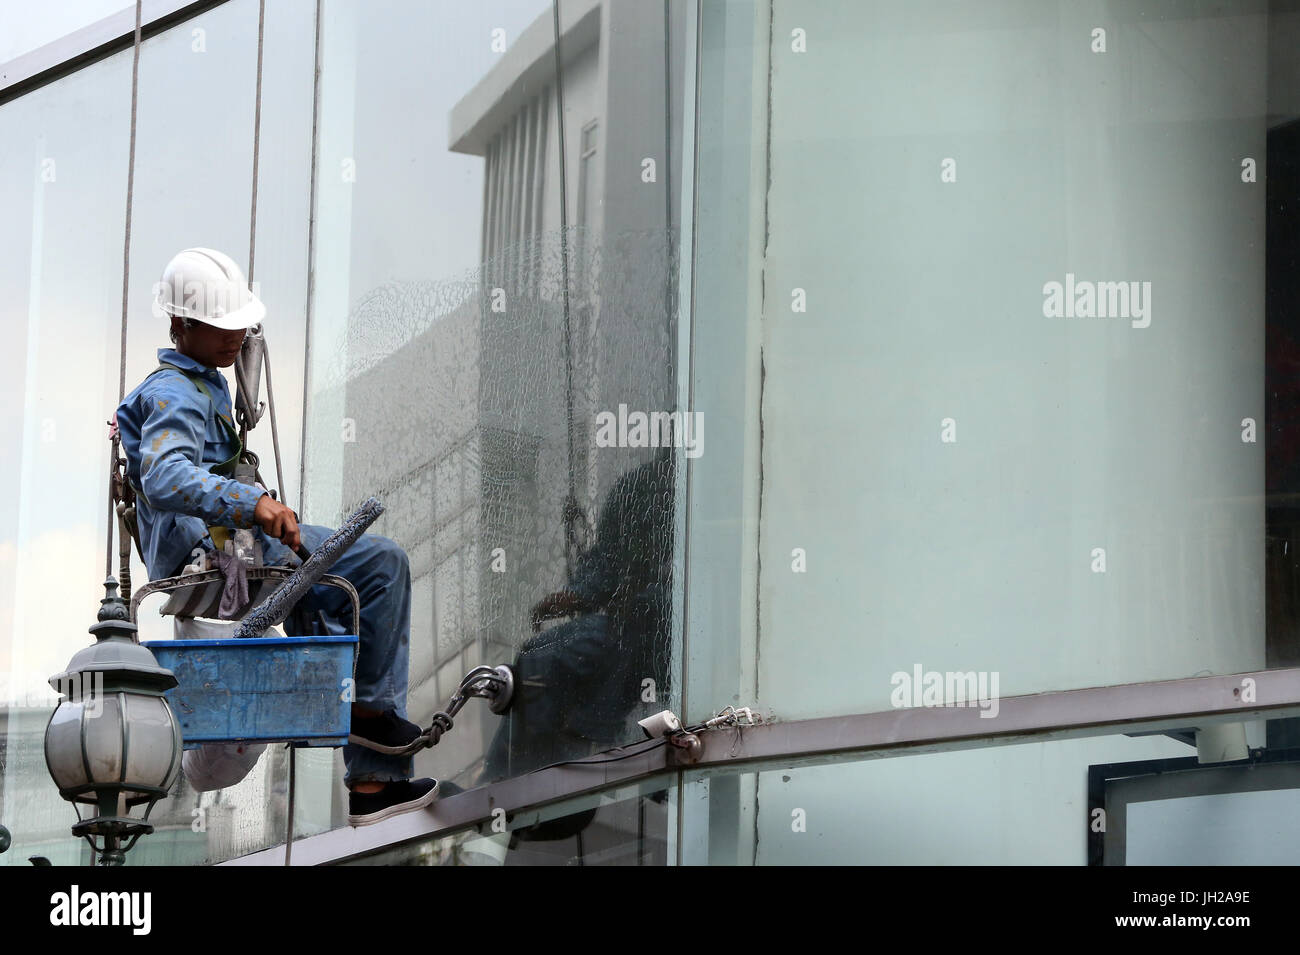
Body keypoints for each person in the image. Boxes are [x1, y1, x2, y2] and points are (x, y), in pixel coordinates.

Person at [114, 247, 437, 826]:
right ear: (180, 325)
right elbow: (164, 473)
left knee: (330, 587)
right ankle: (368, 729)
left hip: (236, 554)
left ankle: (369, 770)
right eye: (220, 324)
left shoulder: (204, 385)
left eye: (240, 322)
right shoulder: (174, 392)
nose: (235, 334)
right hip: (216, 556)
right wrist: (252, 502)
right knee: (379, 565)